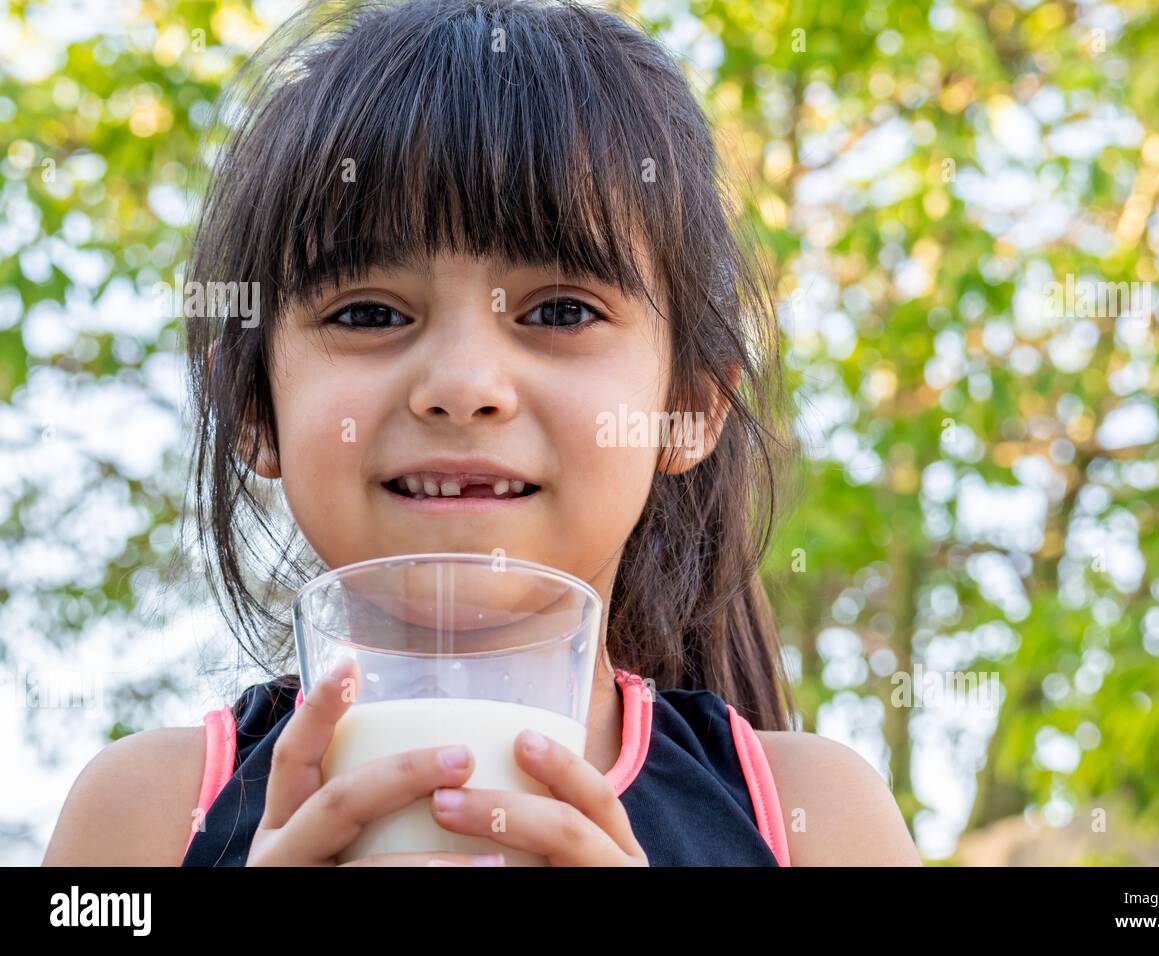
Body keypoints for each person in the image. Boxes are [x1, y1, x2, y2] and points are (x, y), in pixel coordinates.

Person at [44, 0, 920, 867]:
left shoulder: (810, 817)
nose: (462, 388)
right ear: (252, 408)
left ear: (690, 407)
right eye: (370, 312)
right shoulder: (149, 816)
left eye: (562, 310)